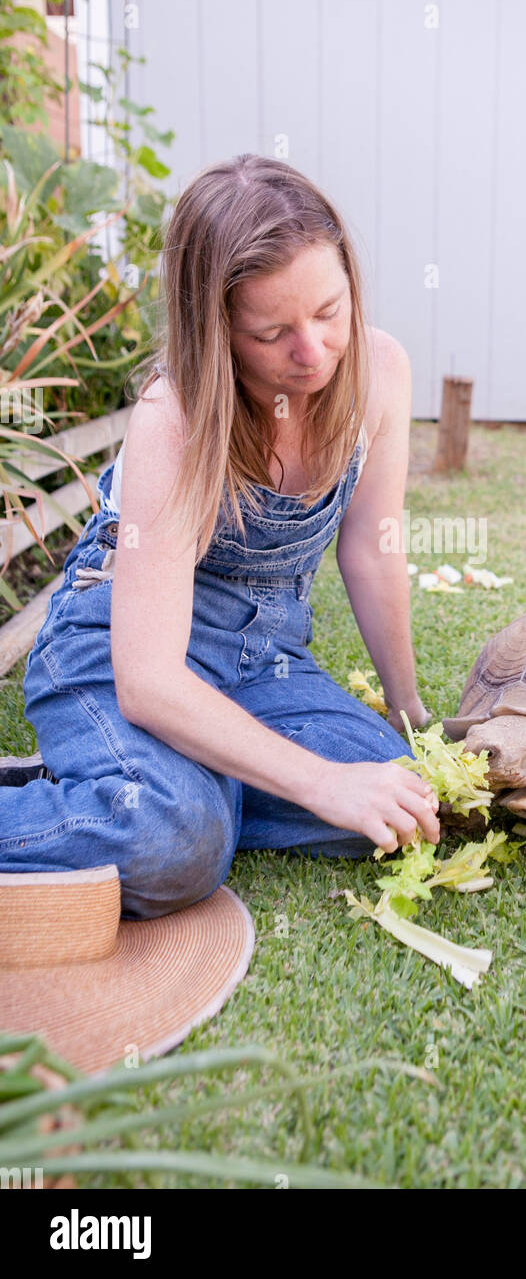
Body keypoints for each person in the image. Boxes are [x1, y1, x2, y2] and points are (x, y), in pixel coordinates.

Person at [0, 153, 441, 919]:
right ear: (219, 329)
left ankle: (145, 776)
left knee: (398, 789)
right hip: (119, 649)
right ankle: (148, 791)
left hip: (260, 659)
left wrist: (411, 716)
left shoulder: (382, 371)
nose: (313, 352)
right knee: (175, 842)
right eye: (272, 333)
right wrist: (318, 780)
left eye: (329, 312)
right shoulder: (172, 419)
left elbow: (372, 547)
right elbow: (148, 680)